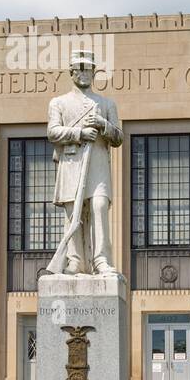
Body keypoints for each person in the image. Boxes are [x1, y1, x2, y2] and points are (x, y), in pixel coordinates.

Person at [47, 49, 123, 274]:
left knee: (99, 206)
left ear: (94, 72)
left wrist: (102, 124)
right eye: (79, 69)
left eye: (88, 69)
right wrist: (79, 133)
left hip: (97, 163)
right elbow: (53, 132)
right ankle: (75, 261)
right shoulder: (58, 103)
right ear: (71, 72)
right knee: (74, 215)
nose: (84, 73)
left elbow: (118, 137)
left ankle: (101, 260)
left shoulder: (107, 104)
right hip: (71, 164)